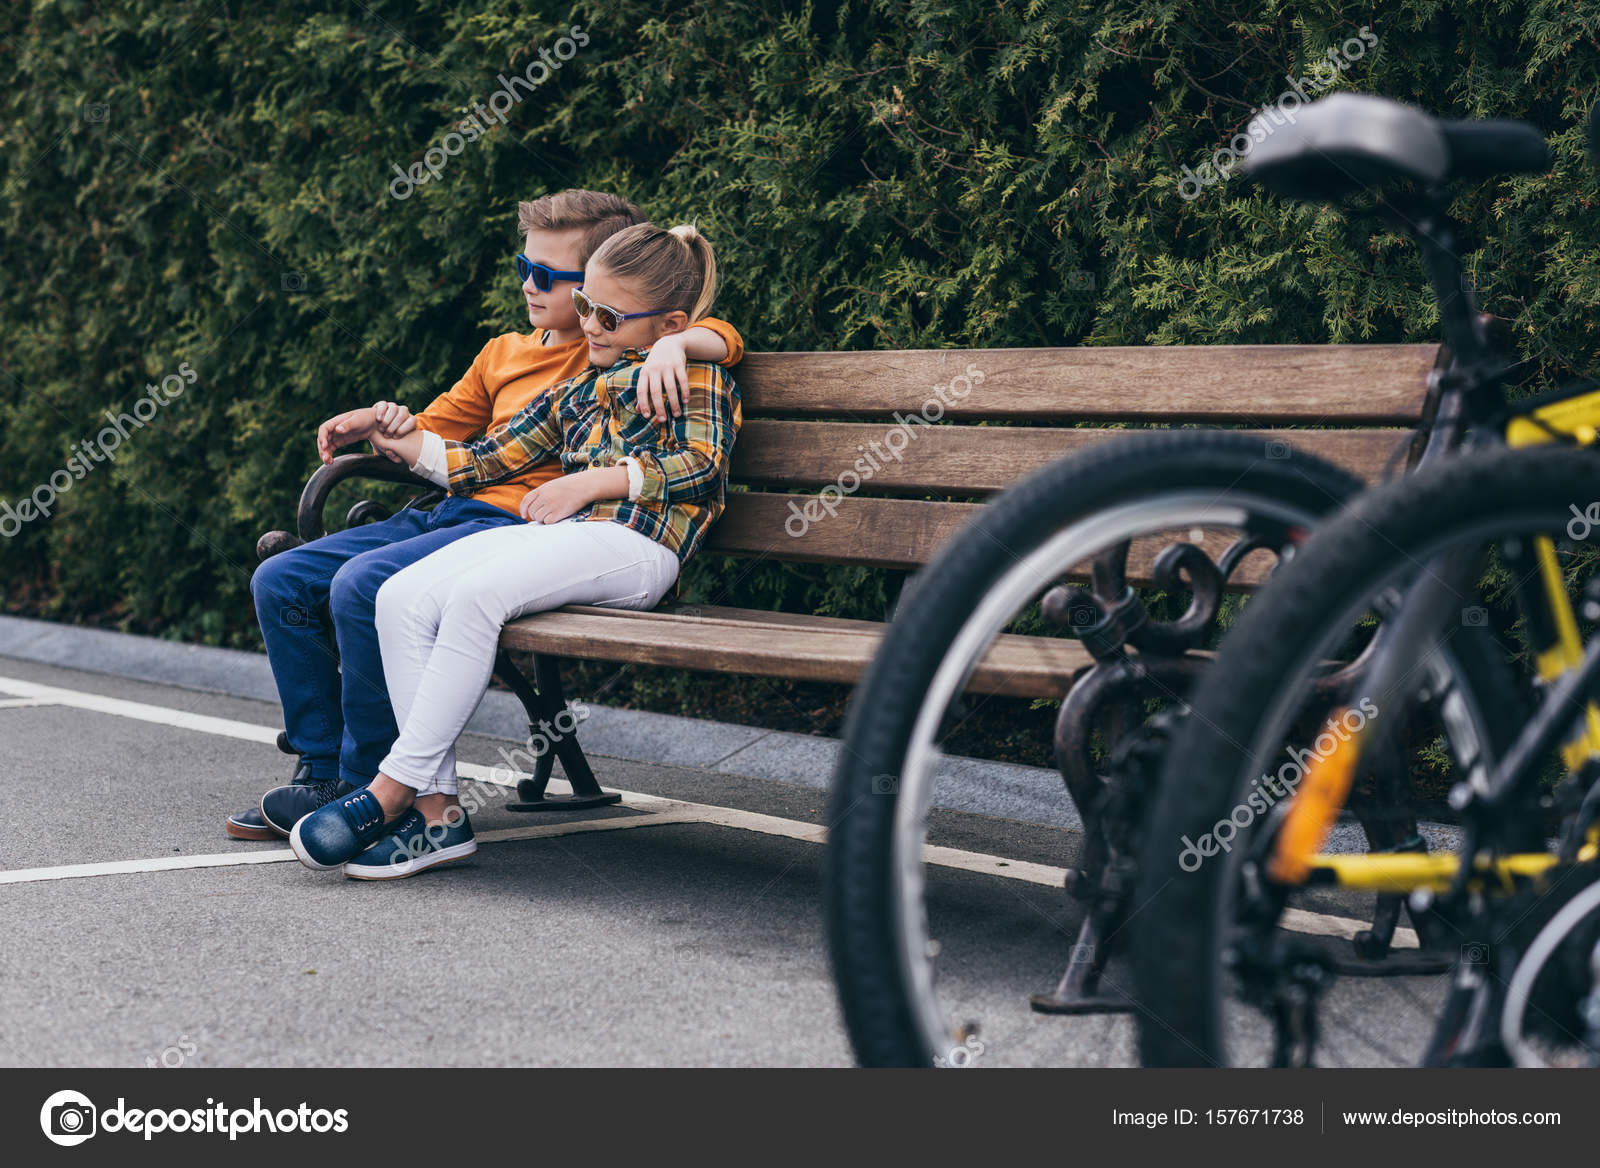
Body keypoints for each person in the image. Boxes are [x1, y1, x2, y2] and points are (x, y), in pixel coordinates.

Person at [227, 192, 743, 841]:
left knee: (383, 587)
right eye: (578, 301)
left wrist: (683, 346)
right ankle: (363, 787)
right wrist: (385, 429)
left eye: (571, 290)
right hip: (499, 519)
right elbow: (474, 451)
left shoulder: (642, 357)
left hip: (565, 533)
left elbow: (710, 408)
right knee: (328, 585)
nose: (581, 318)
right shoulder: (542, 367)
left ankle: (381, 786)